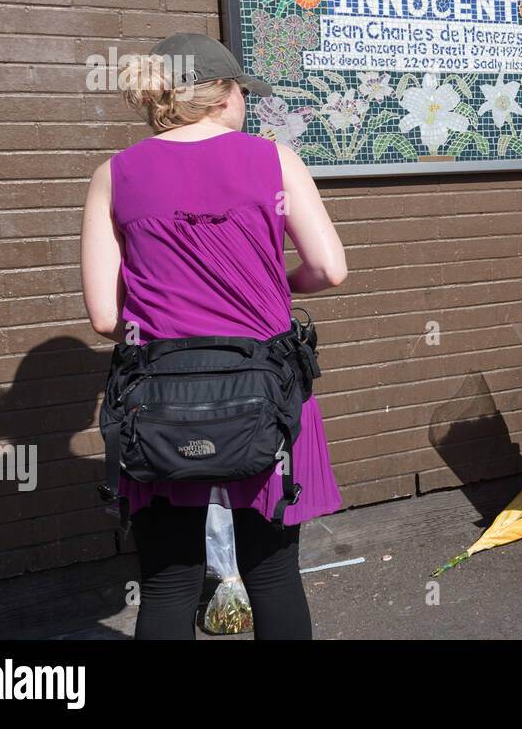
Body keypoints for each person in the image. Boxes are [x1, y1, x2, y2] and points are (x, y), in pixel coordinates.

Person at [80, 33, 347, 639]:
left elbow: (103, 315)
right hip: (266, 391)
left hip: (161, 402)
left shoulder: (115, 174)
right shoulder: (274, 160)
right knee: (274, 574)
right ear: (224, 93)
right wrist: (269, 280)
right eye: (241, 93)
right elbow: (329, 269)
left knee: (170, 581)